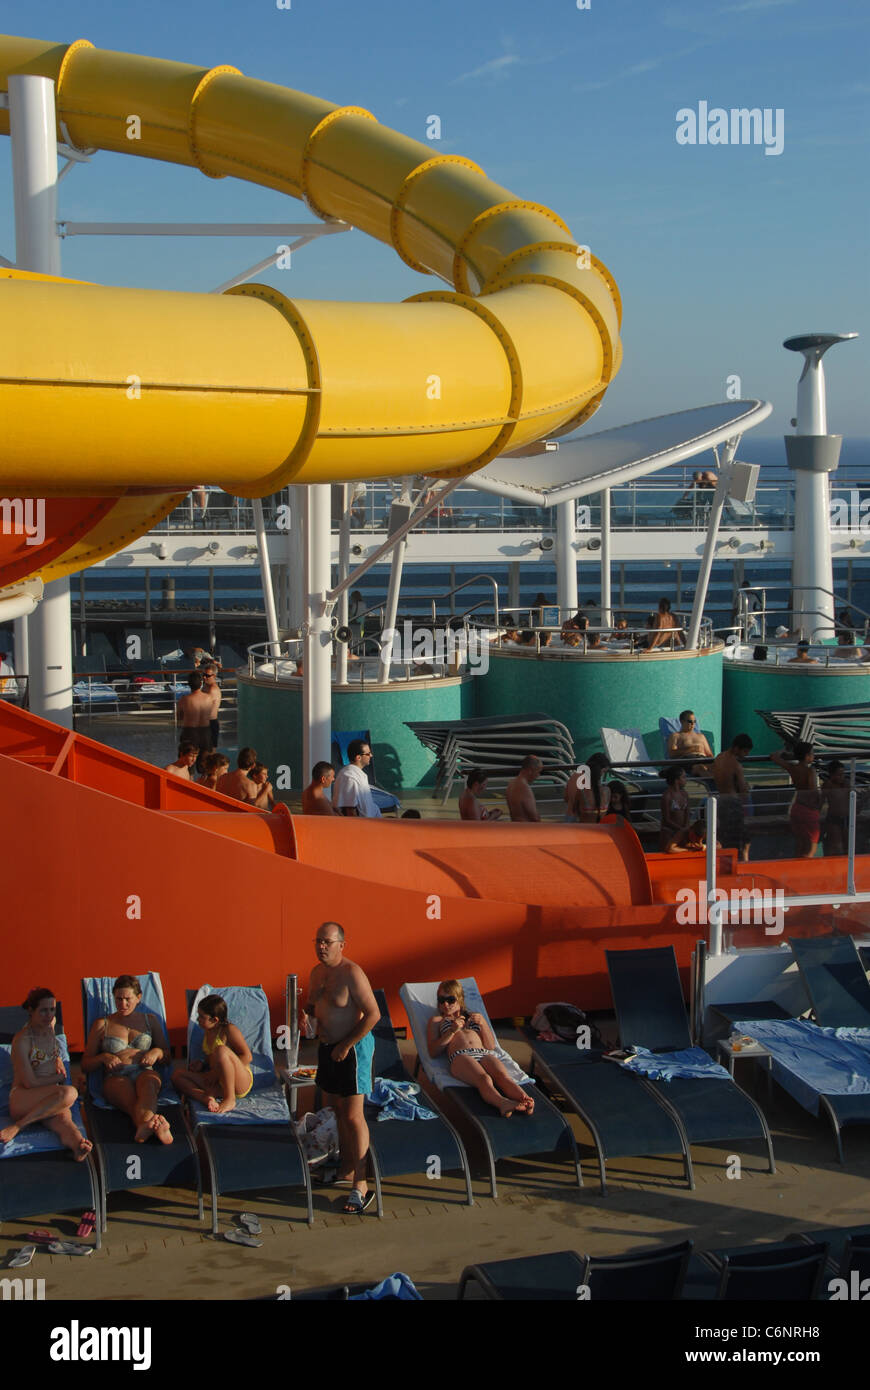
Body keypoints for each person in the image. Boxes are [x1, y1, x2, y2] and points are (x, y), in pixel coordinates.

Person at [301, 923, 379, 1214]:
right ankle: (347, 1168)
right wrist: (306, 1017)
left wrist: (346, 1045)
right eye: (318, 941)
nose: (321, 946)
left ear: (342, 945)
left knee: (354, 1116)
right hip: (327, 1048)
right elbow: (313, 1006)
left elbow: (373, 1014)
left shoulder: (352, 973)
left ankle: (361, 1183)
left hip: (353, 1050)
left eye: (327, 942)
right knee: (338, 1112)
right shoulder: (316, 972)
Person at [1, 988, 92, 1160]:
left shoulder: (50, 1025)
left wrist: (57, 1059)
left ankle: (78, 1145)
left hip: (49, 1097)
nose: (48, 1015)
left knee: (65, 1121)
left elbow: (51, 1050)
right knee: (70, 1093)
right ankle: (18, 1126)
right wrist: (58, 1078)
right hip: (23, 1098)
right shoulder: (23, 1041)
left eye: (51, 1009)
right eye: (43, 1010)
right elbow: (30, 1083)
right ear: (30, 1010)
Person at [82, 975, 172, 1144]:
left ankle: (144, 1126)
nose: (123, 1004)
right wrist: (103, 1057)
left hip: (145, 1071)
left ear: (138, 998)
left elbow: (167, 1058)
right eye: (118, 999)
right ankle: (154, 1124)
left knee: (149, 1086)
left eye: (128, 999)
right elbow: (85, 1065)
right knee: (129, 1098)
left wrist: (157, 1052)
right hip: (116, 1076)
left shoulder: (150, 1021)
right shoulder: (102, 1024)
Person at [427, 981, 533, 1118]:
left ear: (459, 998)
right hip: (460, 1056)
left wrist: (483, 1024)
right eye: (441, 1000)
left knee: (503, 1076)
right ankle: (503, 1103)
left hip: (483, 1053)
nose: (445, 1004)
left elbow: (490, 1046)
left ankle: (525, 1099)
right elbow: (433, 1052)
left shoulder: (474, 1017)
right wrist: (451, 1032)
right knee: (484, 1078)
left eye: (450, 1000)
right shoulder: (437, 1020)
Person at [172, 995, 254, 1116]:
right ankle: (206, 1099)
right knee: (177, 1075)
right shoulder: (208, 1031)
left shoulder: (229, 1030)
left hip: (239, 1082)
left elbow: (247, 1056)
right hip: (218, 1083)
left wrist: (216, 1073)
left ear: (214, 1020)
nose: (198, 1019)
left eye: (201, 1017)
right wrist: (202, 1063)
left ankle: (230, 1098)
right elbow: (212, 1057)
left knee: (221, 1050)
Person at [771, 743, 821, 858]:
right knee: (810, 848)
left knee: (799, 845)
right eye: (812, 753)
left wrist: (784, 751)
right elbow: (813, 791)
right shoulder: (810, 771)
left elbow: (773, 756)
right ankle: (805, 872)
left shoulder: (793, 768)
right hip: (809, 810)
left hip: (797, 808)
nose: (813, 755)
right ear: (807, 756)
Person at [712, 734, 753, 861]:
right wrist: (747, 786)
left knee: (725, 839)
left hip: (721, 802)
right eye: (745, 751)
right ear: (736, 748)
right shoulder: (736, 765)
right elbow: (743, 790)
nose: (746, 755)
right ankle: (742, 866)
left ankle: (726, 867)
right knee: (741, 842)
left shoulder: (719, 758)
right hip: (733, 804)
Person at [659, 766, 704, 852]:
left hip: (683, 830)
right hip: (669, 831)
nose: (685, 780)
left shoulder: (685, 794)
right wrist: (681, 829)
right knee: (667, 852)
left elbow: (687, 812)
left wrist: (686, 827)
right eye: (683, 777)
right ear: (677, 780)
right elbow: (666, 819)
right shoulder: (667, 796)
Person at [333, 739, 381, 818]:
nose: (371, 755)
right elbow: (350, 810)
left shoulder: (357, 773)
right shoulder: (349, 776)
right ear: (358, 757)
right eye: (368, 754)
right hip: (362, 826)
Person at [176, 672, 213, 768]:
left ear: (189, 684)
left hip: (190, 732)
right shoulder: (209, 698)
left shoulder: (184, 700)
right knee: (206, 766)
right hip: (205, 732)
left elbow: (179, 717)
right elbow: (211, 715)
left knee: (187, 766)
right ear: (201, 683)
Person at [564, 752, 611, 822]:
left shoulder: (575, 776)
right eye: (603, 771)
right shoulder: (590, 782)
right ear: (598, 769)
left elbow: (566, 798)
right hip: (581, 820)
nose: (602, 775)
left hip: (570, 816)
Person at [822, 760, 851, 857]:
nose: (841, 777)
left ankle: (846, 869)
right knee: (837, 847)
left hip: (847, 817)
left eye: (842, 774)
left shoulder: (846, 784)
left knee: (848, 847)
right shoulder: (828, 785)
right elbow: (821, 801)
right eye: (838, 775)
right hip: (833, 818)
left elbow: (852, 800)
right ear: (831, 775)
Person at [506, 755, 542, 822]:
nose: (538, 776)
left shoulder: (511, 784)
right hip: (527, 829)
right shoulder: (524, 788)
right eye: (538, 772)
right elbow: (535, 817)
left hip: (515, 827)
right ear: (530, 770)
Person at [201, 663, 222, 751]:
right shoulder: (205, 686)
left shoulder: (213, 689)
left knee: (210, 751)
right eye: (203, 675)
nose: (204, 677)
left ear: (214, 676)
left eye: (207, 675)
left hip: (210, 723)